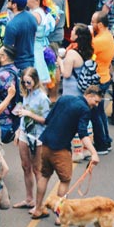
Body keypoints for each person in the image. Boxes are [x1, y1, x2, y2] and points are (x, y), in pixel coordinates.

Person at [31, 85, 101, 217]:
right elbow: (83, 134)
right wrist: (93, 153)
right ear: (89, 95)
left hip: (45, 143)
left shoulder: (64, 98)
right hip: (61, 149)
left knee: (44, 176)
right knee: (64, 180)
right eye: (95, 101)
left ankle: (38, 209)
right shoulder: (85, 109)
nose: (96, 105)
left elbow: (48, 120)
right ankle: (60, 215)